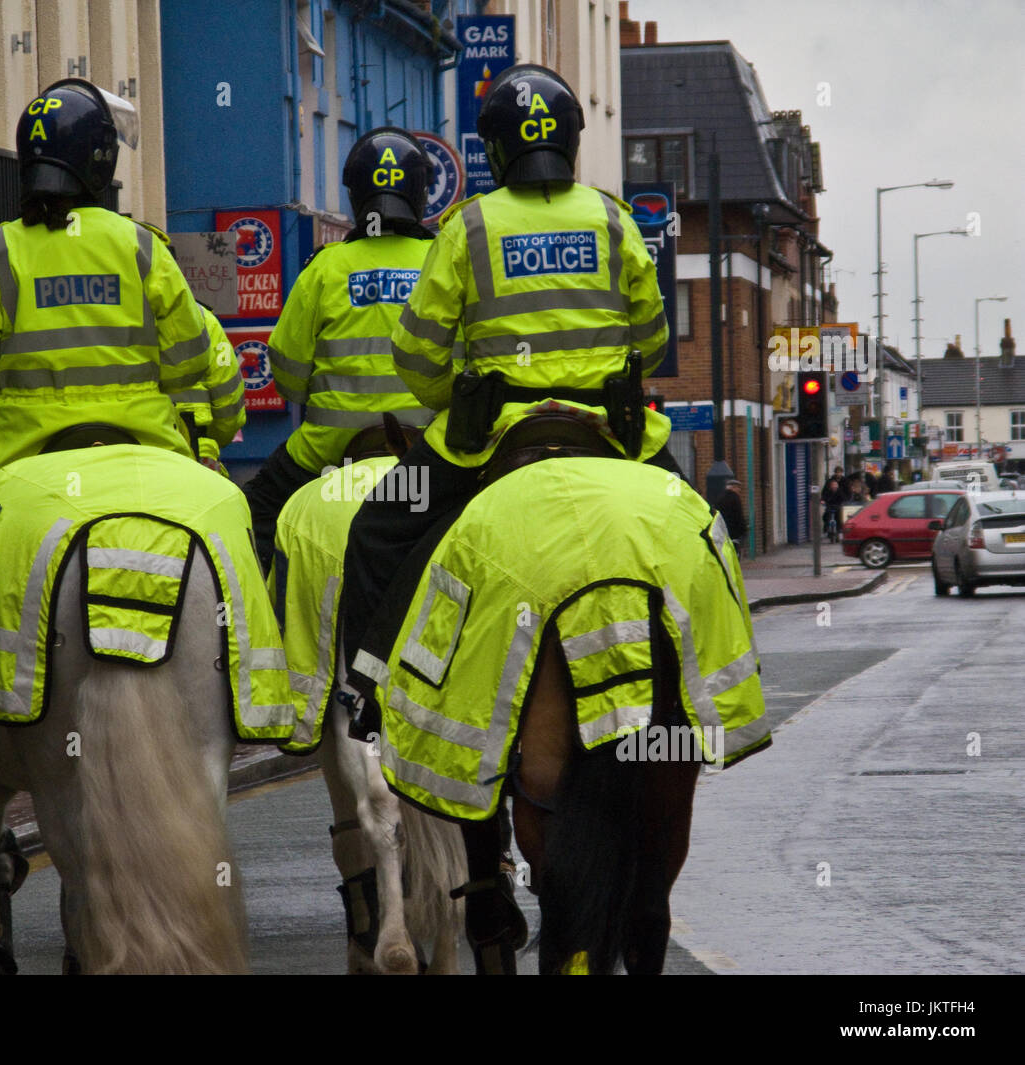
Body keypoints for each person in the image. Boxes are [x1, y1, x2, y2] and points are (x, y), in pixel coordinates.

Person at [339, 63, 674, 974]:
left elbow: (415, 354)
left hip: (495, 446)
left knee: (382, 531)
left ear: (490, 150)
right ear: (567, 139)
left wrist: (463, 394)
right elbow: (654, 339)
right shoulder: (612, 219)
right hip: (613, 440)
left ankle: (368, 683)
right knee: (697, 539)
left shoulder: (472, 226)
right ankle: (724, 676)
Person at [0, 79, 212, 752]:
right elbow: (192, 361)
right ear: (102, 164)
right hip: (146, 441)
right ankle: (263, 685)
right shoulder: (145, 249)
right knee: (231, 523)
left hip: (17, 448)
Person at [241, 127, 442, 571]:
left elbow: (288, 371)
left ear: (356, 197)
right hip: (431, 450)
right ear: (421, 195)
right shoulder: (446, 259)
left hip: (327, 451)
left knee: (252, 514)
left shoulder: (326, 267)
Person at [172, 303, 246, 477]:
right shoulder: (202, 318)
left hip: (114, 450)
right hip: (194, 454)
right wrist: (212, 439)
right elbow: (230, 402)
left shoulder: (104, 314)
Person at [717, 479, 747, 549]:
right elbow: (738, 515)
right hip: (734, 532)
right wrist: (743, 530)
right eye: (738, 487)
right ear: (733, 487)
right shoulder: (735, 498)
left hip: (722, 530)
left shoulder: (719, 497)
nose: (739, 490)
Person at [821, 477, 846, 541]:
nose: (834, 486)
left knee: (839, 518)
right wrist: (822, 500)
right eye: (833, 485)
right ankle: (826, 529)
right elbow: (823, 497)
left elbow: (843, 498)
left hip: (837, 506)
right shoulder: (827, 491)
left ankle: (838, 530)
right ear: (830, 486)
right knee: (826, 516)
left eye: (835, 485)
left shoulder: (840, 491)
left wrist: (842, 503)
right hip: (829, 506)